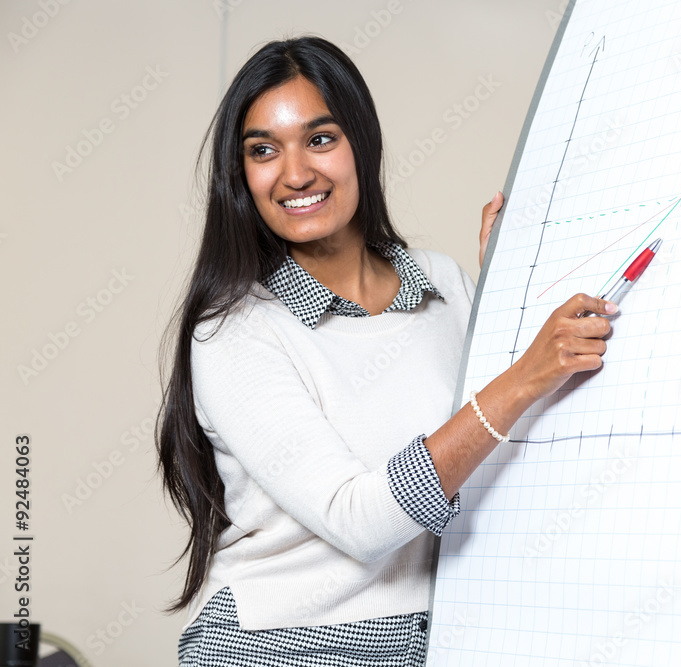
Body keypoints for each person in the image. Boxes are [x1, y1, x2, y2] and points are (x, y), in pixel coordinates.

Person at [155, 35, 618, 666]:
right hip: (280, 647)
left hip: (438, 640)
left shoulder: (442, 284)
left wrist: (514, 294)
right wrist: (520, 377)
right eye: (263, 151)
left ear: (361, 144)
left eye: (320, 139)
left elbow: (511, 441)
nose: (295, 174)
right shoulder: (236, 331)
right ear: (242, 175)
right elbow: (360, 521)